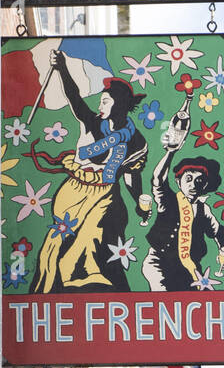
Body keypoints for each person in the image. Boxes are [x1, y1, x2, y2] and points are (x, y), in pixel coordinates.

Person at [28, 48, 147, 293]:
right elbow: (73, 96)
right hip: (74, 192)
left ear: (119, 104)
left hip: (105, 194)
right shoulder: (92, 121)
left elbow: (131, 176)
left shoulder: (135, 140)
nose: (100, 104)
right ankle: (50, 290)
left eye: (105, 100)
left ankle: (90, 283)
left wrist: (139, 204)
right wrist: (62, 68)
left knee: (95, 235)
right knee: (58, 241)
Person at [139, 100, 224, 291]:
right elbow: (157, 178)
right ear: (179, 181)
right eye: (188, 179)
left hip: (188, 270)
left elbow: (218, 230)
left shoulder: (203, 210)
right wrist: (171, 153)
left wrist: (223, 248)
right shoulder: (169, 200)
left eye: (198, 181)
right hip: (159, 263)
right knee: (163, 298)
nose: (193, 185)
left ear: (204, 185)